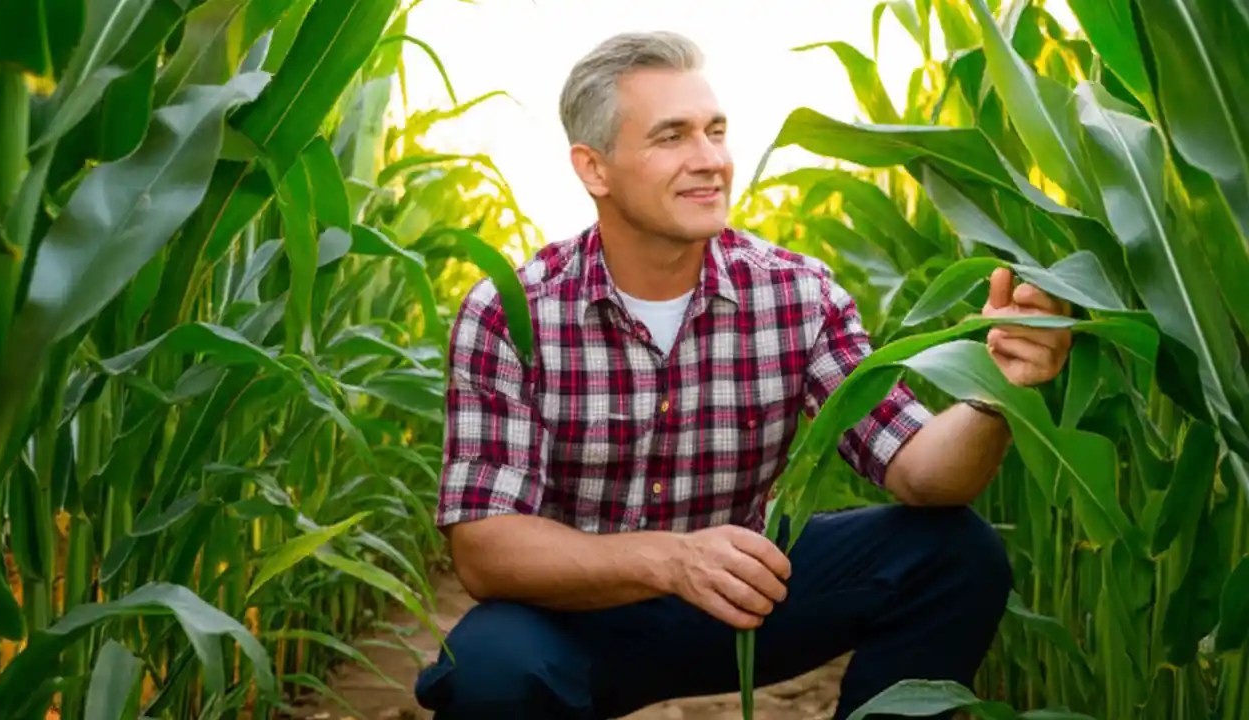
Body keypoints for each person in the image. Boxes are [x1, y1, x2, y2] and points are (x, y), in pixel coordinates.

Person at [413, 30, 1072, 720]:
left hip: (746, 600)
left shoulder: (795, 292)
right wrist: (668, 560)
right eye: (671, 137)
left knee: (956, 555)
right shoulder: (513, 313)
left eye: (716, 131)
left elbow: (922, 471)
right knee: (484, 671)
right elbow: (485, 549)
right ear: (594, 168)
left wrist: (992, 386)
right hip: (572, 613)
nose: (710, 161)